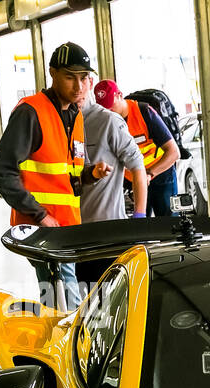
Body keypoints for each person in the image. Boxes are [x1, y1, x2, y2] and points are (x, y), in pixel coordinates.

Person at [0, 42, 105, 310]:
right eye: (69, 77)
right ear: (52, 73)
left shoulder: (75, 115)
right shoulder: (31, 112)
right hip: (42, 229)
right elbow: (0, 170)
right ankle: (73, 346)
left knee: (55, 299)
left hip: (66, 229)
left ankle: (53, 341)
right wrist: (40, 214)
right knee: (70, 302)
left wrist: (90, 175)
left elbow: (65, 175)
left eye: (84, 78)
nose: (79, 86)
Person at [77, 91, 149, 288]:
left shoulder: (108, 121)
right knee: (85, 299)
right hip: (74, 234)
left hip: (107, 233)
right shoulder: (60, 121)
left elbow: (138, 167)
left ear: (89, 83)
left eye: (83, 79)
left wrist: (139, 216)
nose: (76, 88)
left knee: (109, 297)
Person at [91, 80, 178, 217]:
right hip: (133, 181)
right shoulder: (107, 122)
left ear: (120, 95)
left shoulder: (144, 112)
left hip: (160, 174)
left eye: (110, 105)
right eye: (104, 108)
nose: (109, 111)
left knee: (168, 224)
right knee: (141, 227)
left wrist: (149, 174)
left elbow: (173, 152)